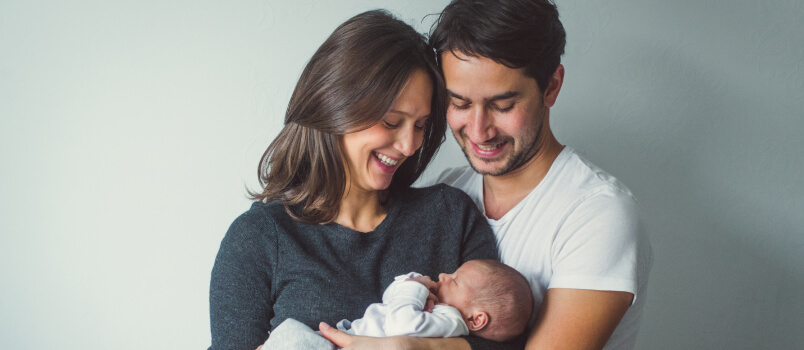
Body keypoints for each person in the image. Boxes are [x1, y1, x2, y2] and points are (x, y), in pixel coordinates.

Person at [319, 1, 653, 349]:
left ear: (551, 86)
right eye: (459, 104)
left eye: (502, 105)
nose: (479, 131)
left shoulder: (597, 215)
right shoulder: (444, 194)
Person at [208, 10, 515, 350]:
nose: (410, 145)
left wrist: (415, 348)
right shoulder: (260, 239)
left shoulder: (450, 216)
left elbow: (505, 343)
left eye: (419, 125)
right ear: (335, 106)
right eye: (391, 121)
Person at [262, 260, 532, 350]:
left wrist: (413, 289)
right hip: (345, 338)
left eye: (456, 281)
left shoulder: (449, 320)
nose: (443, 276)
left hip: (345, 342)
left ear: (476, 320)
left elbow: (400, 323)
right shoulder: (439, 315)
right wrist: (410, 284)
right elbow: (391, 300)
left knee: (291, 337)